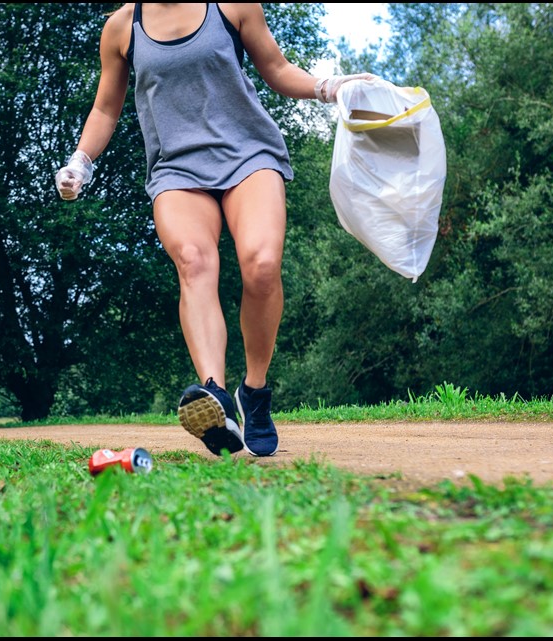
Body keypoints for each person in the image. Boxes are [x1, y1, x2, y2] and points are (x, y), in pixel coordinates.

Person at [55, 3, 373, 457]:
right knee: (194, 261)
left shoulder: (232, 6)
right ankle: (216, 397)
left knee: (262, 265)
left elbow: (277, 69)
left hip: (248, 154)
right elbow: (106, 109)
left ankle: (254, 392)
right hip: (176, 168)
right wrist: (79, 164)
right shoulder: (123, 28)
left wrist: (331, 86)